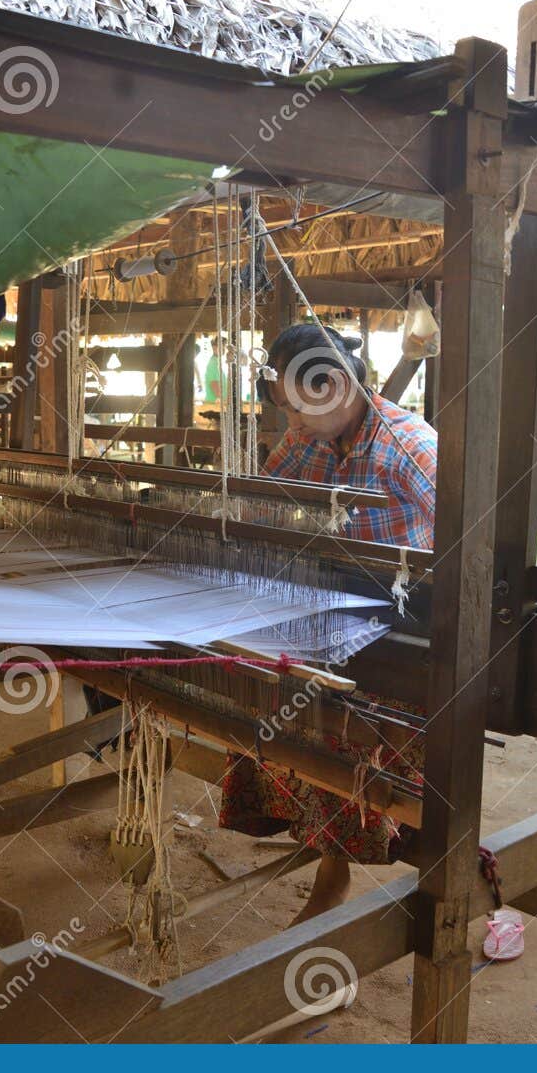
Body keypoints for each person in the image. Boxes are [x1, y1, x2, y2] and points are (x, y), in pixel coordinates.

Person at [218, 322, 437, 923]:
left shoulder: (408, 447)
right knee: (273, 682)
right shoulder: (309, 442)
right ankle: (321, 848)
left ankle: (339, 871)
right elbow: (263, 502)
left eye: (298, 409)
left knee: (342, 723)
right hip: (327, 610)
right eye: (286, 410)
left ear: (336, 385)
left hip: (401, 625)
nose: (292, 423)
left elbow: (474, 543)